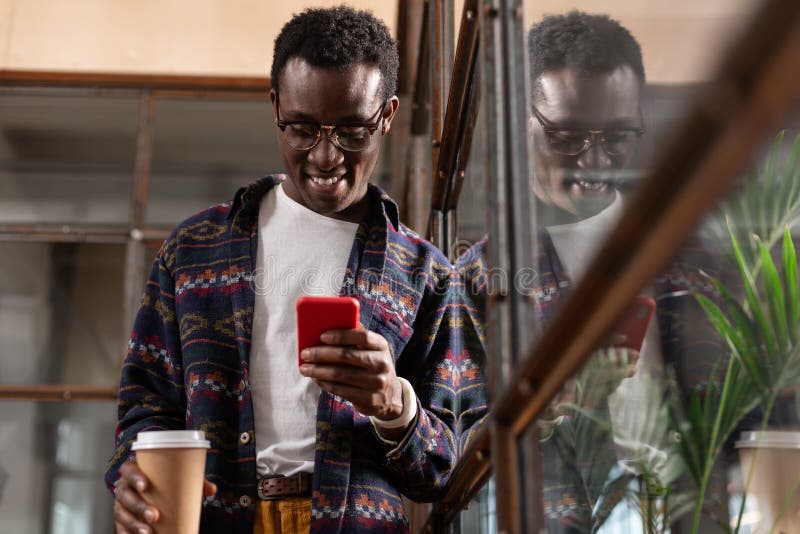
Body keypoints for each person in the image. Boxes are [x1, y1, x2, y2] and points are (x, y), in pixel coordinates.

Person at [106, 6, 487, 533]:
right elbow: (145, 402)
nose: (326, 157)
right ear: (275, 107)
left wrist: (394, 406)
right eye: (302, 128)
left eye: (354, 132)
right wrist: (133, 473)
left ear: (389, 114)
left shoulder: (427, 274)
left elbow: (446, 471)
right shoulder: (192, 250)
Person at [458, 10, 722, 532]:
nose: (594, 160)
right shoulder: (481, 276)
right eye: (567, 137)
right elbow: (456, 455)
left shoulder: (684, 255)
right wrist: (550, 404)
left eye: (618, 135)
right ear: (519, 122)